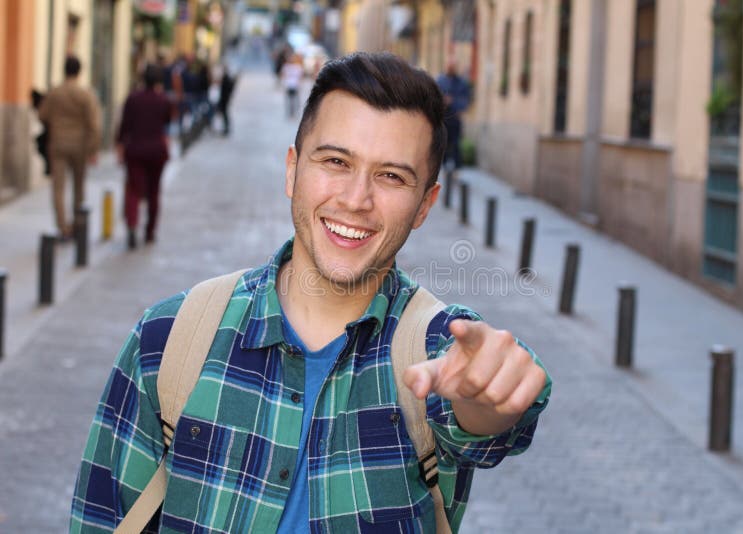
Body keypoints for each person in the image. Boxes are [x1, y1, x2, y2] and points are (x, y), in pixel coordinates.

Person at [70, 52, 551, 533]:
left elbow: (481, 419)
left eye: (391, 176)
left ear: (425, 204)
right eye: (336, 161)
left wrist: (488, 401)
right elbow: (100, 520)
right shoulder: (169, 341)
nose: (355, 199)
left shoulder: (435, 349)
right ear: (291, 171)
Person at [38, 56, 100, 241]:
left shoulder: (55, 93)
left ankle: (62, 226)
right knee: (79, 187)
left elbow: (42, 114)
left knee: (58, 187)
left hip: (58, 144)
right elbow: (94, 124)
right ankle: (77, 225)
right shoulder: (85, 94)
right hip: (79, 146)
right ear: (79, 72)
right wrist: (93, 149)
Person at [116, 64, 172, 249]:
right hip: (157, 152)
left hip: (136, 150)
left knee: (133, 189)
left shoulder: (133, 99)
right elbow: (167, 123)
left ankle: (132, 226)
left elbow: (124, 126)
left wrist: (120, 146)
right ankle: (149, 232)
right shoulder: (163, 100)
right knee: (154, 192)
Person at [436, 59, 472, 171]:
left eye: (452, 66)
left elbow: (465, 101)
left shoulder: (461, 83)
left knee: (456, 146)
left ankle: (456, 171)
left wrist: (453, 102)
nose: (450, 69)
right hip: (442, 120)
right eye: (449, 66)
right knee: (442, 145)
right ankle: (442, 169)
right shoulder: (440, 81)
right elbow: (433, 98)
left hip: (455, 120)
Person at [215, 65, 237, 136]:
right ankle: (226, 128)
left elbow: (225, 90)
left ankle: (226, 128)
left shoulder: (226, 78)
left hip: (224, 99)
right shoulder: (227, 78)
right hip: (225, 98)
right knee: (224, 114)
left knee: (225, 114)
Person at [280, 53, 304, 118]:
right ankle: (292, 112)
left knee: (291, 100)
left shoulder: (287, 67)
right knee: (293, 100)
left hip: (291, 85)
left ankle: (292, 112)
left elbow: (283, 75)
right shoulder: (297, 67)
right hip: (292, 85)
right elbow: (300, 77)